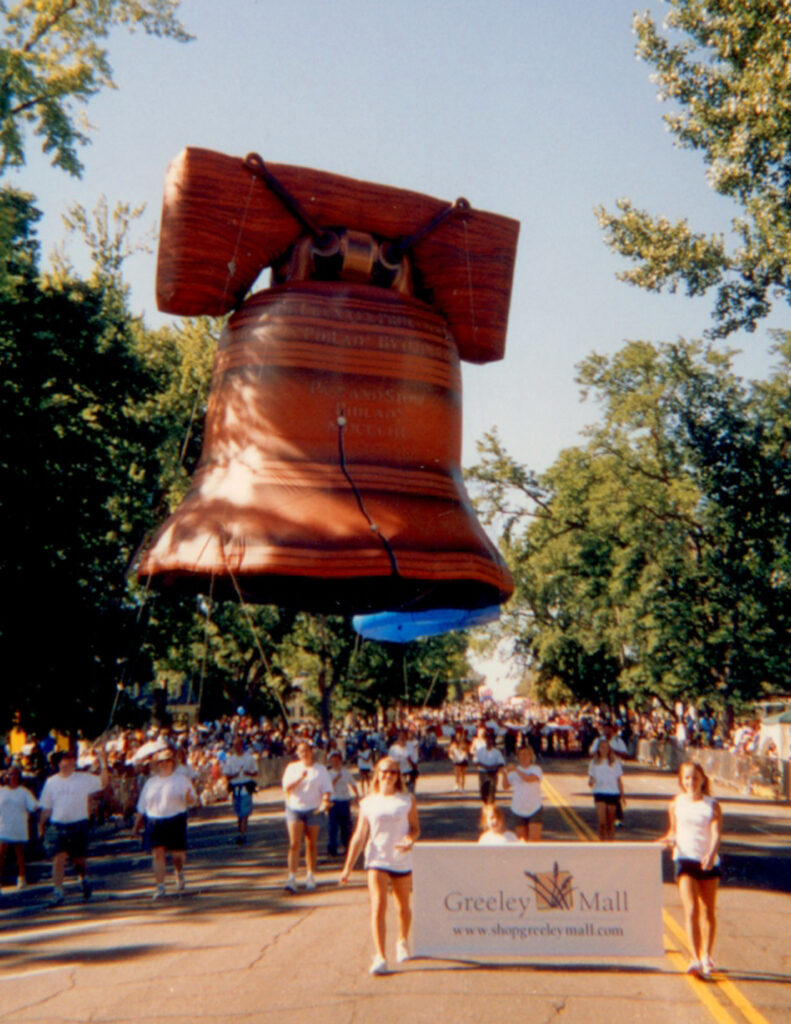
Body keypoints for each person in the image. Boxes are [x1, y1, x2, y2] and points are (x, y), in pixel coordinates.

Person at [340, 756, 420, 975]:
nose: (388, 776)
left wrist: (410, 839)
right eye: (384, 771)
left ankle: (402, 940)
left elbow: (415, 828)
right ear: (377, 774)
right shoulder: (368, 802)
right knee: (378, 906)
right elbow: (359, 836)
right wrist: (348, 867)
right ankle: (380, 956)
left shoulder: (406, 799)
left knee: (403, 905)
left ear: (398, 776)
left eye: (393, 772)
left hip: (400, 858)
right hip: (376, 859)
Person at [660, 762, 722, 977]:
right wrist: (667, 840)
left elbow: (715, 832)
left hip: (707, 860)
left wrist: (712, 853)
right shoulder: (675, 804)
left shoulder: (712, 805)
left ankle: (706, 955)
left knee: (708, 910)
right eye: (687, 778)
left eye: (695, 778)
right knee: (691, 909)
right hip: (684, 859)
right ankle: (694, 958)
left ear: (703, 780)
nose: (691, 782)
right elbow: (673, 831)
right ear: (681, 780)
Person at [38, 746, 109, 906]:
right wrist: (41, 825)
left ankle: (83, 880)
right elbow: (47, 807)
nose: (70, 761)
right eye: (66, 759)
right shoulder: (51, 782)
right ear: (58, 763)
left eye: (71, 758)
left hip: (78, 824)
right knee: (58, 859)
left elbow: (103, 783)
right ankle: (58, 892)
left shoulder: (83, 778)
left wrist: (103, 762)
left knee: (79, 860)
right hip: (58, 826)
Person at [134, 747, 198, 898]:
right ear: (157, 765)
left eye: (168, 761)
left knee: (177, 856)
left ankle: (179, 871)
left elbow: (192, 800)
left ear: (173, 763)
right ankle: (160, 886)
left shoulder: (181, 780)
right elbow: (142, 806)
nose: (164, 764)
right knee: (157, 854)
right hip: (155, 820)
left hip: (175, 819)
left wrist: (188, 798)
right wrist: (136, 825)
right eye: (161, 762)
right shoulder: (150, 783)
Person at [282, 740, 332, 892]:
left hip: (313, 809)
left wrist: (325, 801)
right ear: (297, 753)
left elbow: (327, 790)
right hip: (294, 808)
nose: (304, 754)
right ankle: (292, 878)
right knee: (294, 844)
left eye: (307, 750)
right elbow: (286, 788)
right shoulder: (292, 768)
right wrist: (299, 778)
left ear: (312, 752)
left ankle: (310, 875)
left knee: (311, 843)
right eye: (301, 751)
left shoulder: (320, 770)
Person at [0, 766, 38, 890]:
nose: (13, 776)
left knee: (19, 853)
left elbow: (33, 806)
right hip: (3, 825)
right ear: (7, 776)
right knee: (1, 853)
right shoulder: (2, 791)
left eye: (15, 774)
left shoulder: (24, 791)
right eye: (10, 774)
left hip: (19, 825)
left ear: (19, 776)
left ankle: (21, 878)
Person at [501, 743, 543, 841]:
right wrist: (504, 774)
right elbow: (505, 786)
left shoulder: (536, 769)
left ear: (531, 756)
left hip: (534, 808)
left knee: (534, 839)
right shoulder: (514, 772)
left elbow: (528, 779)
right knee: (521, 840)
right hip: (518, 809)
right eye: (521, 754)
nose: (524, 757)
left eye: (526, 754)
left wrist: (515, 769)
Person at [587, 738, 624, 841]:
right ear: (598, 748)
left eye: (606, 747)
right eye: (602, 747)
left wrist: (622, 794)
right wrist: (591, 781)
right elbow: (591, 776)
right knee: (602, 822)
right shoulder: (593, 762)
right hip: (599, 792)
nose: (604, 749)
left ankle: (611, 843)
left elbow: (619, 779)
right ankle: (601, 843)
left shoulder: (615, 762)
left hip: (613, 793)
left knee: (610, 822)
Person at [223, 735, 258, 844]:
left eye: (239, 745)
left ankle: (242, 835)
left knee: (245, 813)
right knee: (239, 813)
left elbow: (255, 772)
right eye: (235, 746)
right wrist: (235, 775)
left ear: (242, 745)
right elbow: (226, 775)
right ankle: (240, 832)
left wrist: (248, 773)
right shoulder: (230, 759)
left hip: (246, 787)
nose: (237, 747)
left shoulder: (249, 757)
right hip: (236, 787)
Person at [327, 750, 359, 858]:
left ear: (340, 761)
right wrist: (336, 778)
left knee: (345, 825)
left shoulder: (346, 772)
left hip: (344, 800)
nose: (335, 763)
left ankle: (347, 846)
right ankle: (332, 848)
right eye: (333, 761)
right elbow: (328, 787)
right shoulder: (329, 773)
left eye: (337, 761)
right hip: (334, 800)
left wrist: (357, 796)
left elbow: (353, 784)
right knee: (333, 826)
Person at [473, 729, 505, 804]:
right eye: (487, 740)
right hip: (483, 772)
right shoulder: (480, 750)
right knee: (483, 790)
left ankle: (491, 804)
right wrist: (485, 766)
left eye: (490, 740)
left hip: (493, 773)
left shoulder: (497, 752)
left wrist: (494, 767)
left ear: (493, 741)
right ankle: (485, 803)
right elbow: (476, 761)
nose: (489, 741)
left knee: (492, 790)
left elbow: (501, 763)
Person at [448, 728, 470, 792]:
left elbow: (466, 750)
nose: (458, 736)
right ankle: (457, 784)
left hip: (463, 759)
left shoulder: (465, 743)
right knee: (457, 773)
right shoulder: (453, 743)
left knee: (463, 773)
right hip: (456, 759)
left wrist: (463, 754)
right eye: (457, 735)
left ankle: (462, 787)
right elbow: (450, 751)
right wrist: (451, 756)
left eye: (460, 735)